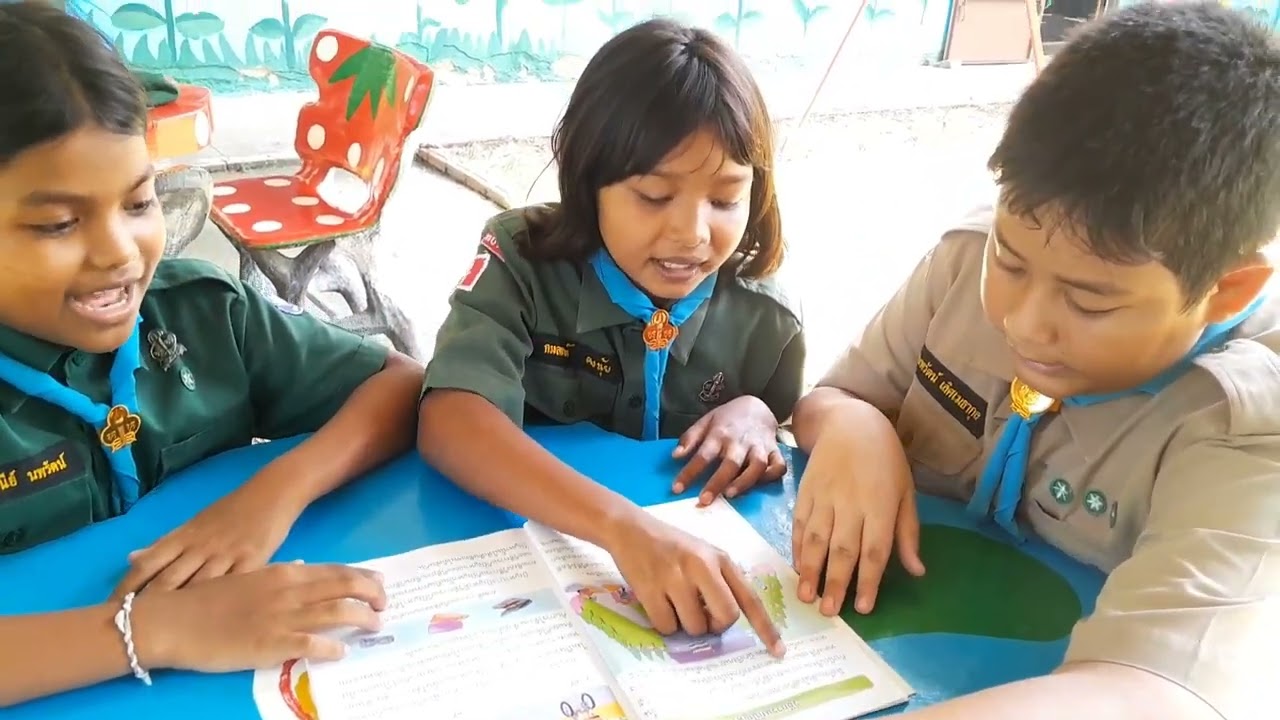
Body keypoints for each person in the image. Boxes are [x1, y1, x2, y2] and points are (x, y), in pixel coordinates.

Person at [789, 3, 1279, 719]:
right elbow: (834, 398)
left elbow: (1154, 692)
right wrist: (853, 425)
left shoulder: (1245, 422)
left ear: (1224, 288)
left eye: (1090, 303)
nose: (1022, 322)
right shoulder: (965, 262)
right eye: (1011, 261)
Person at [0, 3, 423, 706]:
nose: (118, 253)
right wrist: (157, 630)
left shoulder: (201, 310)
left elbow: (401, 384)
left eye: (139, 203)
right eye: (59, 223)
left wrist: (274, 494)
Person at [417, 18, 804, 654]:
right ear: (585, 178)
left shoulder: (768, 319)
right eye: (654, 195)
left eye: (727, 199)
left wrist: (760, 413)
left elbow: (786, 433)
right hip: (529, 568)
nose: (692, 234)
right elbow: (452, 417)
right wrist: (622, 530)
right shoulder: (522, 263)